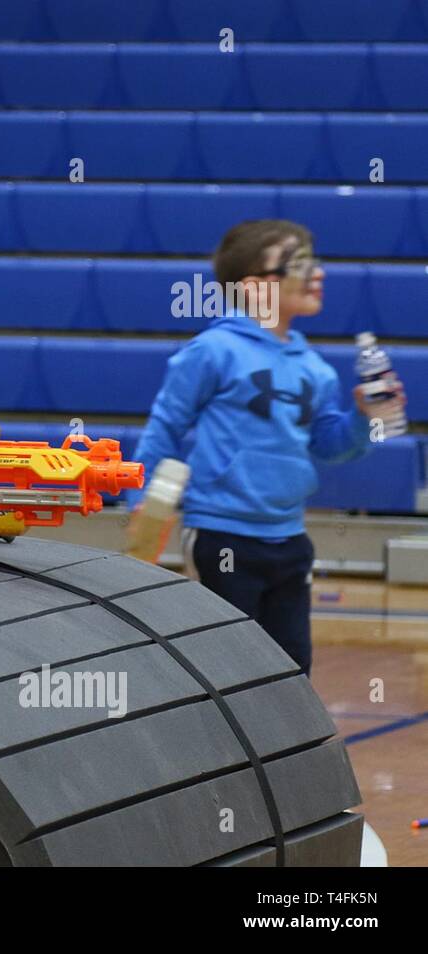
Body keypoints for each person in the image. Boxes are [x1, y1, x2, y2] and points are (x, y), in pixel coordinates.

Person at [125, 219, 407, 675]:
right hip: (221, 534)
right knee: (227, 670)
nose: (318, 273)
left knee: (291, 670)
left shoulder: (314, 368)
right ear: (257, 287)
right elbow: (165, 427)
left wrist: (362, 420)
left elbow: (330, 446)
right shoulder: (213, 350)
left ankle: (289, 750)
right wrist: (142, 501)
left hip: (291, 539)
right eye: (300, 264)